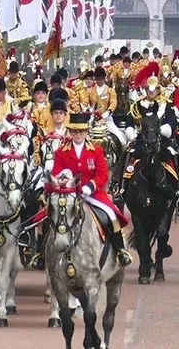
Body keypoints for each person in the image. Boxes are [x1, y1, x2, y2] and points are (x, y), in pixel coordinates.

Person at [48, 111, 132, 267]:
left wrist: (90, 186)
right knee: (49, 214)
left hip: (92, 193)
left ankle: (120, 250)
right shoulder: (61, 152)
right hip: (68, 193)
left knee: (111, 215)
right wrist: (62, 181)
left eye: (81, 132)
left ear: (86, 132)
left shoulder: (96, 151)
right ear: (71, 132)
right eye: (75, 131)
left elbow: (102, 175)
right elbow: (55, 172)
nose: (78, 135)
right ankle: (43, 253)